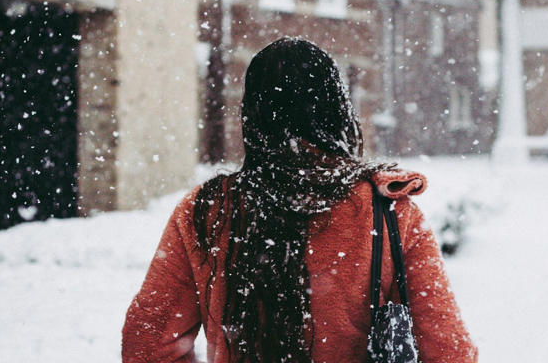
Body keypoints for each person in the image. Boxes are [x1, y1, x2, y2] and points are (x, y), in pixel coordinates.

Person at [122, 37, 477, 363]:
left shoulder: (208, 211)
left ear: (252, 116)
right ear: (338, 108)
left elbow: (149, 343)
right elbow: (450, 351)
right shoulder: (389, 213)